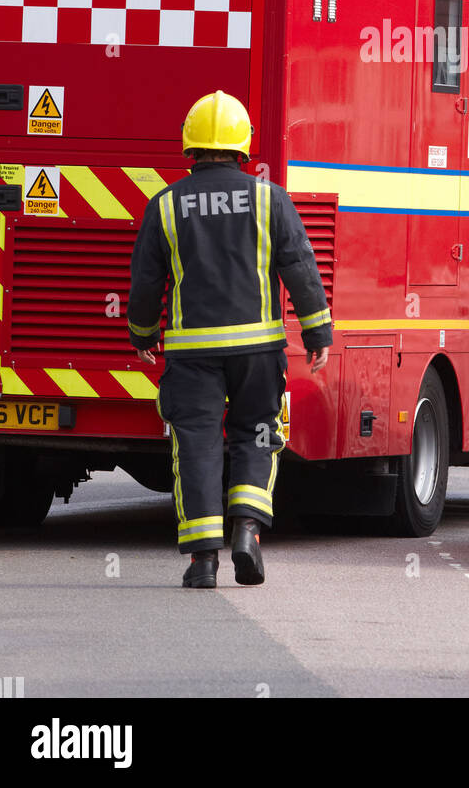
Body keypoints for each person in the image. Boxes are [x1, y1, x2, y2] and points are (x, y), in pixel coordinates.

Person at [126, 90, 333, 590]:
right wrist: (316, 330)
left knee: (195, 443)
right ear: (243, 146)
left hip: (192, 354)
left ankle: (202, 562)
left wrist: (142, 334)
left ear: (190, 147)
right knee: (257, 434)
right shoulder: (270, 199)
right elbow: (300, 269)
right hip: (258, 351)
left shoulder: (166, 205)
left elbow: (146, 282)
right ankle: (246, 529)